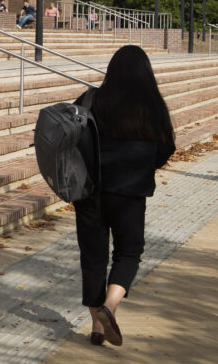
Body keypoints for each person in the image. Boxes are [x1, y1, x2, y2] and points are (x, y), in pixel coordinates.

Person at [74, 46, 175, 348]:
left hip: (91, 191)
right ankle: (110, 306)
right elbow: (166, 148)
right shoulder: (152, 105)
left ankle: (96, 326)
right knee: (129, 251)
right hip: (131, 192)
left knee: (93, 257)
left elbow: (74, 139)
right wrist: (143, 166)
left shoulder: (91, 98)